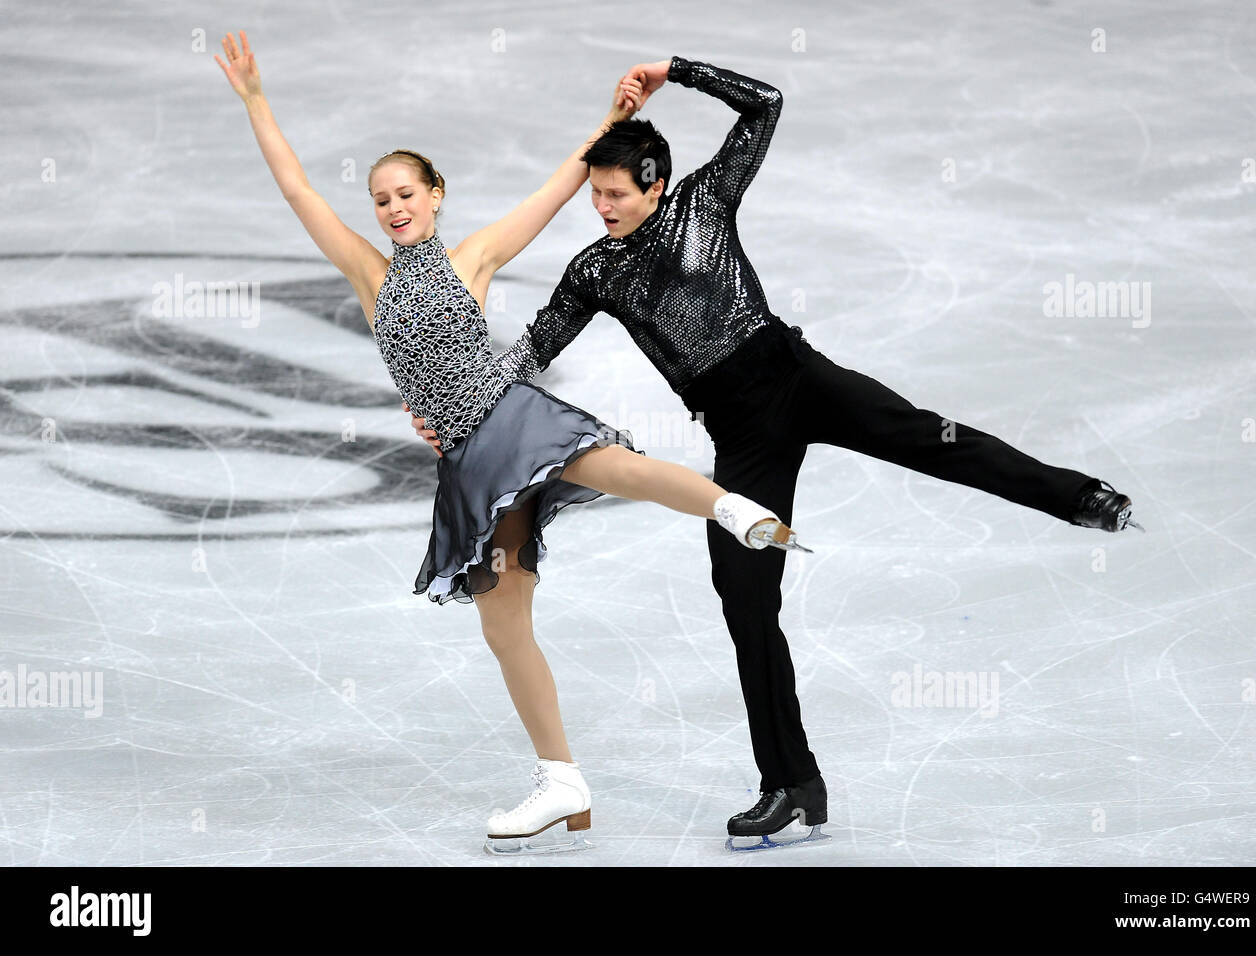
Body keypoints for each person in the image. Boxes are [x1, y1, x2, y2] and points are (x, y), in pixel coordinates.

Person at [410, 56, 1144, 849]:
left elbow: (764, 106)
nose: (603, 207)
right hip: (743, 432)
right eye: (595, 195)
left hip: (798, 379)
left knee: (938, 440)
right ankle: (793, 786)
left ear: (655, 182)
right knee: (745, 596)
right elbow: (536, 345)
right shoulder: (596, 271)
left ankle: (1080, 498)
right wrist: (462, 399)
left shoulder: (705, 198)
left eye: (616, 193)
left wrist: (678, 72)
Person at [214, 32, 808, 853]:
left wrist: (609, 119)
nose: (392, 207)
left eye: (406, 193)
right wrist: (255, 101)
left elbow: (561, 186)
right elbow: (296, 190)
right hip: (469, 464)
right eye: (381, 198)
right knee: (503, 625)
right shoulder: (367, 274)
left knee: (620, 470)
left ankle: (735, 508)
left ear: (436, 195)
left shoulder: (474, 257)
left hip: (509, 421)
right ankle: (562, 782)